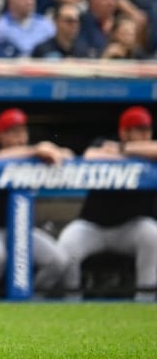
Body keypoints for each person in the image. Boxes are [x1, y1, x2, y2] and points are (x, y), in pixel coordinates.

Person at [0, 109, 73, 296]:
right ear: (0, 135)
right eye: (13, 132)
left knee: (58, 260)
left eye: (22, 132)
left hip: (19, 229)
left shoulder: (35, 159)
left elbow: (69, 156)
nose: (20, 137)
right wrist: (34, 150)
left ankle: (33, 299)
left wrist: (54, 150)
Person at [56, 106, 157, 299]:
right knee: (67, 242)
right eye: (139, 130)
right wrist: (129, 154)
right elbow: (90, 155)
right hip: (93, 226)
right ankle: (71, 300)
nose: (145, 134)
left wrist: (123, 150)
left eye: (147, 129)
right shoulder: (103, 143)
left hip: (130, 228)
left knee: (152, 234)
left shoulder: (124, 147)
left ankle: (146, 299)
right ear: (123, 132)